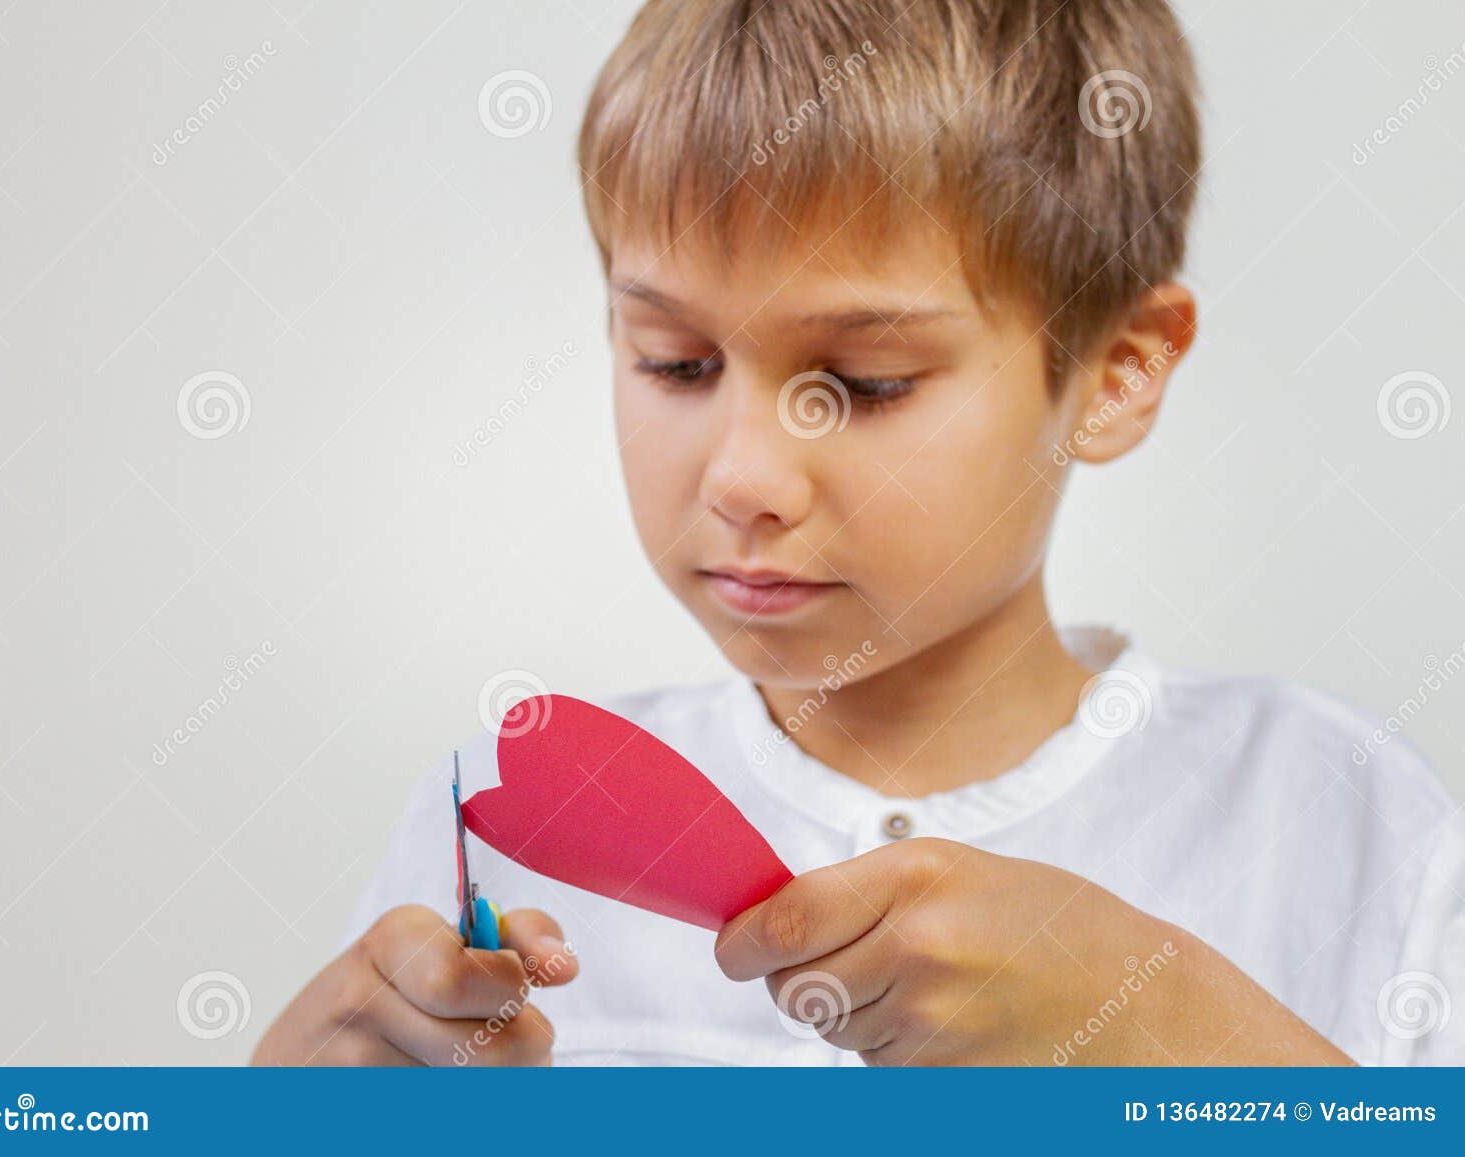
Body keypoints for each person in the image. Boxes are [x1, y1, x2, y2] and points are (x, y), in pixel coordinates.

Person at [253, 0, 1462, 1067]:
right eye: (676, 363)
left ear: (1115, 372)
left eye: (866, 380)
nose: (743, 477)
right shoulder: (497, 838)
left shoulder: (1343, 822)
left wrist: (1177, 1038)